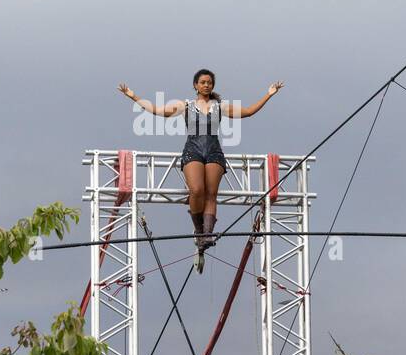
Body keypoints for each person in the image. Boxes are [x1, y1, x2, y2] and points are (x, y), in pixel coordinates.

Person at [119, 70, 283, 271]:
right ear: (195, 85)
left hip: (213, 150)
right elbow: (158, 111)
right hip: (193, 149)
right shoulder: (185, 106)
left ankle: (207, 234)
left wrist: (269, 94)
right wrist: (133, 96)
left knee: (211, 194)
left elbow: (248, 111)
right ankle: (198, 230)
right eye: (203, 82)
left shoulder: (220, 107)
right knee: (197, 190)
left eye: (209, 83)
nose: (206, 85)